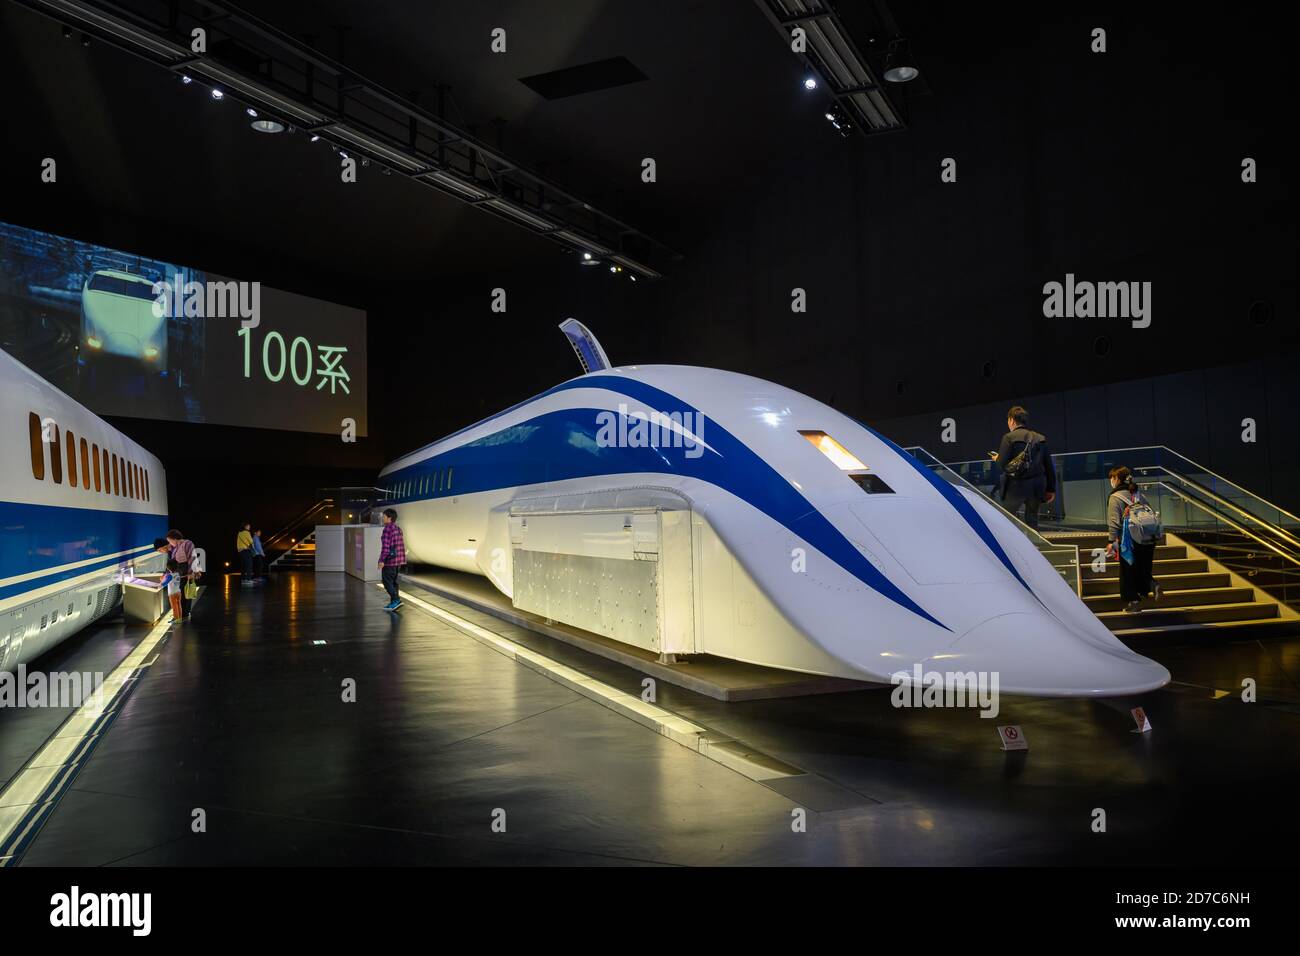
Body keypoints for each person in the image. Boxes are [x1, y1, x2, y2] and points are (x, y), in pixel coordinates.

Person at [990, 406, 1057, 529]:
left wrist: (997, 459)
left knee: (1008, 520)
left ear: (1011, 420)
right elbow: (1049, 466)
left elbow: (1001, 465)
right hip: (1036, 488)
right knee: (1032, 521)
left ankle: (1012, 546)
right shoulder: (1040, 439)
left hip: (1014, 488)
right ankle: (1033, 546)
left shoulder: (1008, 438)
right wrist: (1051, 489)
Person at [1107, 466, 1162, 613]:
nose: (1111, 482)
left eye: (1111, 478)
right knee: (1142, 568)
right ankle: (1152, 584)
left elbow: (1114, 522)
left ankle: (1134, 603)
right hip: (1147, 538)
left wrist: (1112, 541)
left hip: (1129, 540)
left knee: (1127, 573)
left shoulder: (1115, 497)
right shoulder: (1139, 495)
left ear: (1117, 479)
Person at [378, 508, 406, 611]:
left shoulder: (387, 529)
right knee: (393, 582)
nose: (383, 518)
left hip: (390, 561)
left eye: (384, 516)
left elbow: (386, 547)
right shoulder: (398, 528)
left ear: (389, 518)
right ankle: (393, 603)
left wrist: (381, 560)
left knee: (386, 581)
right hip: (398, 561)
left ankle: (396, 600)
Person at [164, 529, 197, 617]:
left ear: (174, 539)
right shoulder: (176, 546)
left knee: (186, 592)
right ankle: (181, 613)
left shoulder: (187, 543)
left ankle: (185, 613)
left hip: (186, 571)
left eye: (170, 541)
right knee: (181, 592)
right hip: (180, 573)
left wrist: (190, 572)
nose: (170, 543)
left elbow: (191, 558)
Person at [153, 537, 183, 622]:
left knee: (174, 606)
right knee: (179, 604)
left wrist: (160, 583)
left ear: (163, 546)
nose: (160, 552)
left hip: (172, 593)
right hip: (178, 591)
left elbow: (165, 581)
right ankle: (180, 617)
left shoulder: (174, 551)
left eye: (159, 550)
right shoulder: (176, 573)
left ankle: (176, 618)